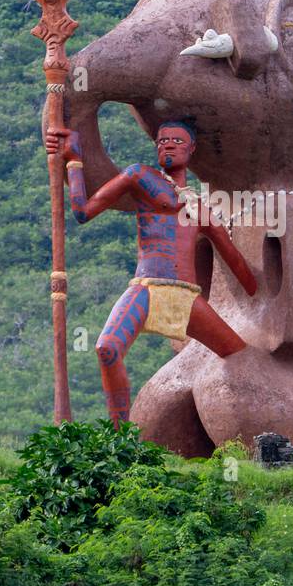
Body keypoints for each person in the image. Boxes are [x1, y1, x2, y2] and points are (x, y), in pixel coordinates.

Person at [44, 120, 258, 425]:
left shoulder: (200, 208)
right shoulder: (140, 177)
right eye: (161, 141)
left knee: (241, 355)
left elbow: (237, 264)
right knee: (107, 349)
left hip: (186, 297)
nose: (167, 145)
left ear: (192, 149)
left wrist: (269, 293)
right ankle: (121, 440)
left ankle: (249, 429)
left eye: (176, 141)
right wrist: (74, 159)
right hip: (147, 288)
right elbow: (82, 211)